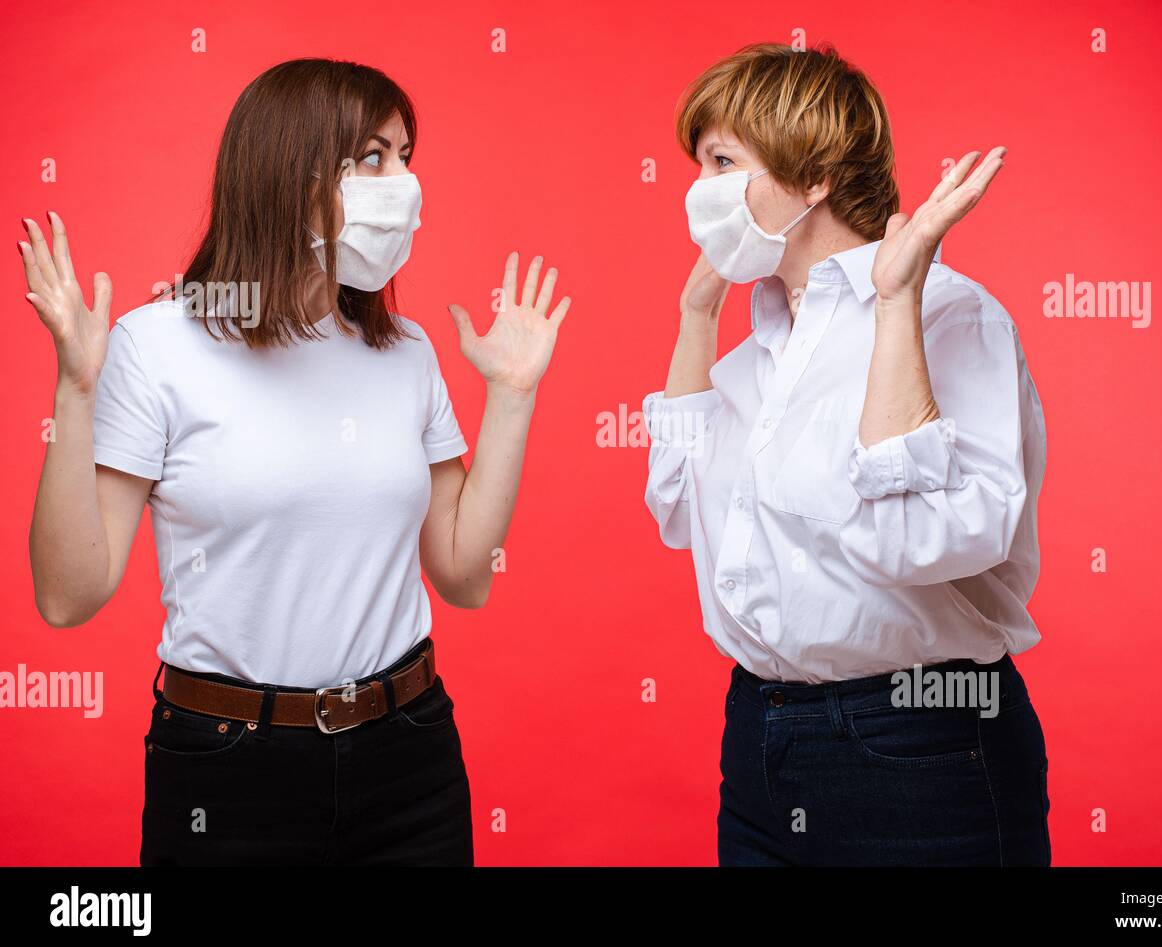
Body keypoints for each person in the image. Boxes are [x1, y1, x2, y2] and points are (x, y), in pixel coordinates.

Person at [22, 58, 570, 865]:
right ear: (292, 171)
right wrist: (75, 388)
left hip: (407, 756)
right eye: (374, 157)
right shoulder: (158, 344)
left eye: (407, 155)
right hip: (228, 768)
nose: (404, 183)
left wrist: (514, 395)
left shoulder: (405, 351)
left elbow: (464, 573)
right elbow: (69, 597)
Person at [643, 43, 1050, 865]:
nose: (700, 190)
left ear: (815, 174)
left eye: (723, 161)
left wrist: (894, 304)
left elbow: (928, 541)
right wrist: (696, 318)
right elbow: (677, 511)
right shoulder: (764, 344)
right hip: (761, 738)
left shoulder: (948, 313)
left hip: (920, 741)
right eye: (697, 166)